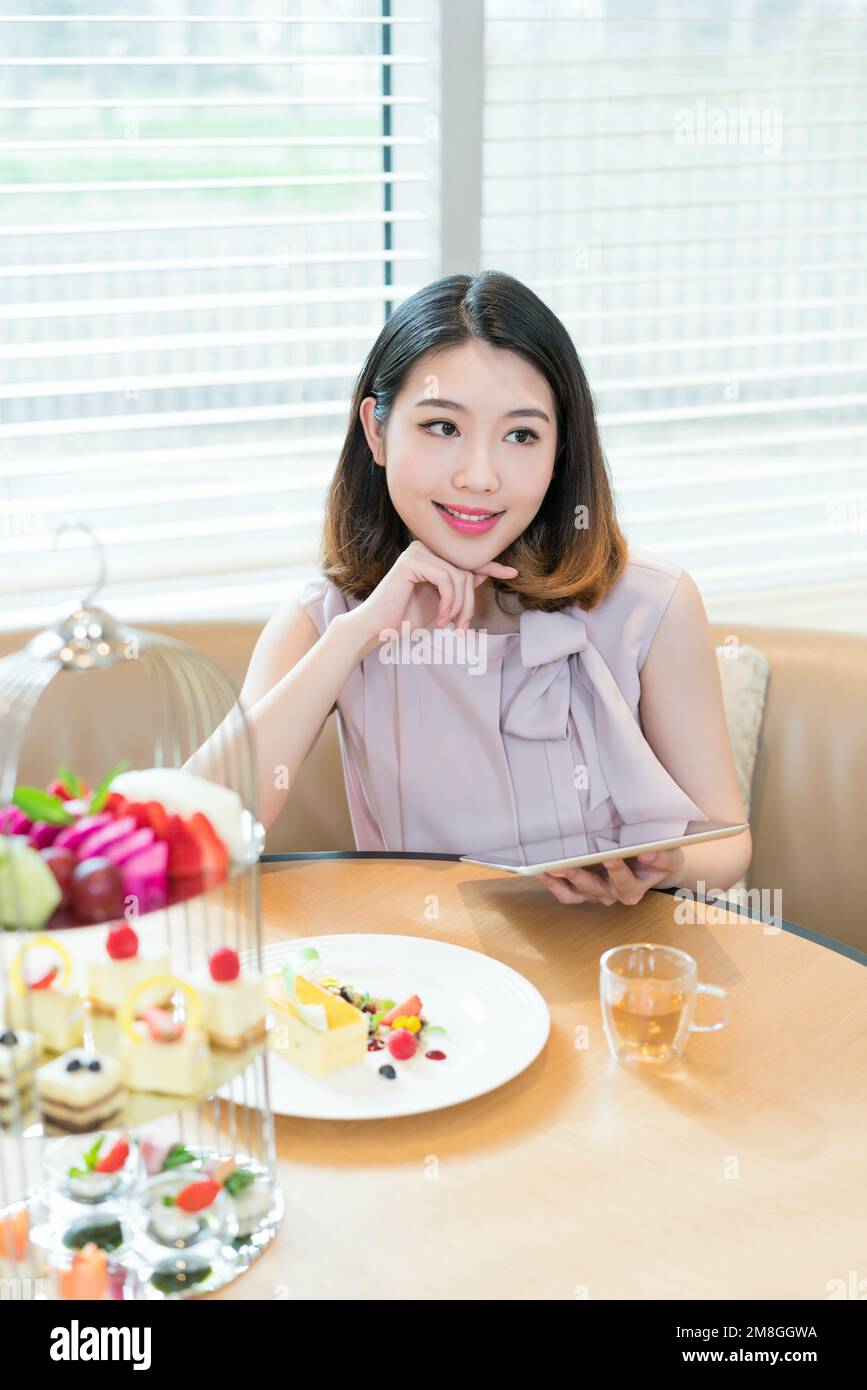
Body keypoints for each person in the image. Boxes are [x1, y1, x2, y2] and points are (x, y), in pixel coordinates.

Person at [202, 271, 751, 907]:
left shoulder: (652, 604)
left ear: (559, 451)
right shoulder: (327, 620)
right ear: (377, 432)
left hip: (619, 973)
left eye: (521, 435)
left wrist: (669, 861)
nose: (479, 477)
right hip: (428, 985)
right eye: (442, 427)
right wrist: (353, 637)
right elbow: (199, 836)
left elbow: (728, 843)